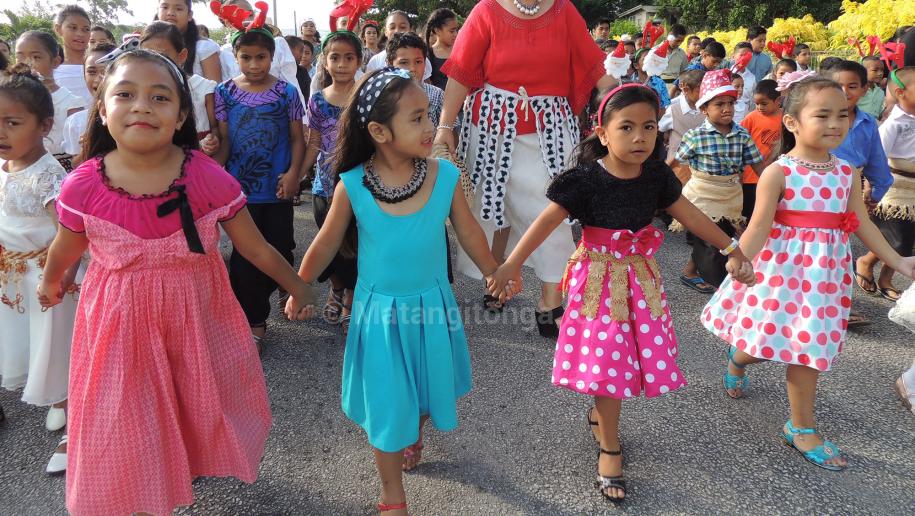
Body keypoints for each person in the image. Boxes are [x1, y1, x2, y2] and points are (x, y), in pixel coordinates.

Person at [38, 48, 314, 515]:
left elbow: (254, 246)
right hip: (118, 327)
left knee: (193, 402)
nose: (142, 105)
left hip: (195, 320)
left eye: (159, 97)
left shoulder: (208, 177)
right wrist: (53, 280)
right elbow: (67, 245)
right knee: (126, 414)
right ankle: (140, 492)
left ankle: (180, 467)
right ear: (102, 109)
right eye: (125, 94)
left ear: (182, 113)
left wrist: (298, 285)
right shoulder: (82, 185)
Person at [489, 84, 755, 503]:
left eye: (649, 127)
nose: (639, 138)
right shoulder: (584, 179)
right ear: (602, 131)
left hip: (641, 280)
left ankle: (602, 415)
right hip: (596, 281)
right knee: (609, 360)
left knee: (626, 357)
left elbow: (688, 213)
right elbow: (546, 221)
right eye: (626, 127)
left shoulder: (656, 174)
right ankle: (610, 448)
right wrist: (510, 264)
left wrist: (732, 248)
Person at [287, 67, 500, 515]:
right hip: (378, 315)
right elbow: (326, 240)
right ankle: (392, 496)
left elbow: (469, 231)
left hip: (431, 309)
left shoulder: (444, 176)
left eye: (429, 115)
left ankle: (416, 427)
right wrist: (300, 285)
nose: (430, 127)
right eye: (418, 118)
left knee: (423, 391)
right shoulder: (352, 185)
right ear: (380, 131)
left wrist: (492, 270)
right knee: (388, 407)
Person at [703, 76, 915, 471]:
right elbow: (759, 226)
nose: (836, 123)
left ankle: (801, 427)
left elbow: (862, 222)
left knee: (808, 348)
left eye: (844, 114)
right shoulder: (779, 172)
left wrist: (900, 262)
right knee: (761, 344)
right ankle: (738, 359)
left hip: (825, 275)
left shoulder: (848, 172)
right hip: (781, 272)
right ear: (792, 122)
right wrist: (738, 259)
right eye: (823, 115)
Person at [437, 0, 614, 337]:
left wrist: (620, 100)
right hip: (493, 130)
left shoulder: (564, 10)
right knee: (497, 209)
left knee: (553, 208)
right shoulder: (486, 11)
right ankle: (501, 275)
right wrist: (446, 125)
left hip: (551, 132)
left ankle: (550, 297)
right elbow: (460, 71)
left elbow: (595, 71)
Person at [0, 66, 84, 475]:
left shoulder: (49, 175)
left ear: (44, 126)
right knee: (35, 344)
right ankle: (58, 399)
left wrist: (58, 277)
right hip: (12, 275)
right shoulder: (5, 166)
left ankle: (75, 420)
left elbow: (69, 233)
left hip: (46, 278)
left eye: (12, 123)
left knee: (61, 346)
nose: (1, 132)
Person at [214, 16, 305, 350]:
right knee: (244, 257)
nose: (254, 64)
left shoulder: (286, 92)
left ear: (272, 57)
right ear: (235, 58)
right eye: (246, 57)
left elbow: (298, 138)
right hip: (239, 192)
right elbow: (224, 141)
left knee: (279, 246)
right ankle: (255, 320)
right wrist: (215, 177)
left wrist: (294, 173)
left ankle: (284, 286)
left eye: (261, 57)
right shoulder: (224, 93)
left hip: (278, 187)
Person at [667, 69, 769, 292]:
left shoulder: (742, 134)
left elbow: (758, 165)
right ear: (704, 109)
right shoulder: (696, 136)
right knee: (711, 242)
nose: (726, 109)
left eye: (730, 103)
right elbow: (677, 162)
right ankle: (718, 283)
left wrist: (777, 188)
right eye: (719, 104)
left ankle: (690, 272)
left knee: (721, 238)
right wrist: (659, 181)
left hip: (731, 195)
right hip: (702, 195)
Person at [300, 31, 362, 336]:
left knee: (354, 244)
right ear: (325, 60)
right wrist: (299, 173)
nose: (341, 64)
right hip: (325, 185)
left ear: (358, 61)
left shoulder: (365, 96)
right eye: (334, 57)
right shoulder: (318, 100)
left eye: (348, 57)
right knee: (331, 242)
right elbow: (313, 142)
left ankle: (351, 298)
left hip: (358, 186)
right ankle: (336, 289)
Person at [856, 67, 915, 302]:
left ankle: (885, 278)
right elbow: (877, 157)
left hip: (913, 189)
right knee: (895, 238)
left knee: (906, 240)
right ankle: (866, 261)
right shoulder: (894, 124)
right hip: (896, 187)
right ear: (901, 93)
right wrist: (870, 189)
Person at [139, 22, 220, 155]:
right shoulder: (139, 91)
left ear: (182, 56)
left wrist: (212, 139)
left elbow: (215, 127)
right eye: (146, 55)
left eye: (161, 56)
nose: (153, 63)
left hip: (199, 155)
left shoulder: (204, 87)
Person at [15, 31, 85, 170]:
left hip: (60, 177)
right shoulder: (10, 98)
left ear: (55, 61)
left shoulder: (71, 104)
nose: (27, 63)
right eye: (20, 57)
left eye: (36, 57)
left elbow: (79, 156)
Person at [215, 0, 306, 108]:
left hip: (279, 116)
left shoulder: (278, 44)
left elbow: (292, 84)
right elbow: (227, 94)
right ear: (227, 22)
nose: (247, 18)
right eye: (239, 14)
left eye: (250, 14)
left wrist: (303, 121)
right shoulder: (224, 53)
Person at [61, 42, 115, 161]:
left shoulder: (133, 118)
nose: (98, 79)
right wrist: (87, 149)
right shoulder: (77, 122)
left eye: (106, 71)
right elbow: (75, 167)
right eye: (91, 72)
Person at [740, 79, 782, 219]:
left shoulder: (786, 118)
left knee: (770, 209)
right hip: (751, 175)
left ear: (778, 101)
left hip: (776, 173)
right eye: (757, 103)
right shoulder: (751, 117)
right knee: (750, 211)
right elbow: (741, 138)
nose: (759, 107)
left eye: (764, 103)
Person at [156, 0, 222, 82]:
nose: (170, 13)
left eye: (178, 9)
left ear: (190, 15)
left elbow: (215, 90)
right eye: (165, 7)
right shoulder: (148, 45)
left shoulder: (204, 47)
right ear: (157, 11)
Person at [661, 69, 706, 185]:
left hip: (702, 166)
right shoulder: (673, 109)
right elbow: (659, 129)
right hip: (678, 167)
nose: (704, 94)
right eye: (700, 91)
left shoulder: (707, 108)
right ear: (686, 89)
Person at [387, 33, 443, 126]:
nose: (412, 68)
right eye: (404, 62)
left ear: (425, 63)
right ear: (390, 64)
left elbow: (449, 130)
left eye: (418, 62)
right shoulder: (384, 97)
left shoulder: (437, 96)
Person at [365, 11, 432, 82]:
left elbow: (426, 86)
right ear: (385, 31)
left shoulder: (422, 59)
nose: (397, 31)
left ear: (411, 29)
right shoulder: (375, 61)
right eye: (392, 27)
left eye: (402, 27)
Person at [52, 5, 92, 103]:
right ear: (58, 29)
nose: (80, 34)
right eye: (73, 28)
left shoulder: (99, 64)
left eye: (86, 29)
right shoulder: (51, 67)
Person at [424, 8, 459, 92]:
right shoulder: (428, 55)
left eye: (456, 30)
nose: (455, 34)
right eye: (451, 31)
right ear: (437, 30)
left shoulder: (459, 51)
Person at [660, 24, 690, 95]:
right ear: (670, 36)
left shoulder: (682, 53)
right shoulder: (655, 51)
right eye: (677, 41)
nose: (679, 44)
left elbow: (684, 72)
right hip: (659, 87)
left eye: (681, 41)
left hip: (675, 89)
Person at [284, 35, 313, 100]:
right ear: (288, 50)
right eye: (301, 51)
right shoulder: (274, 71)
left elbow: (307, 96)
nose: (302, 55)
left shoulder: (302, 71)